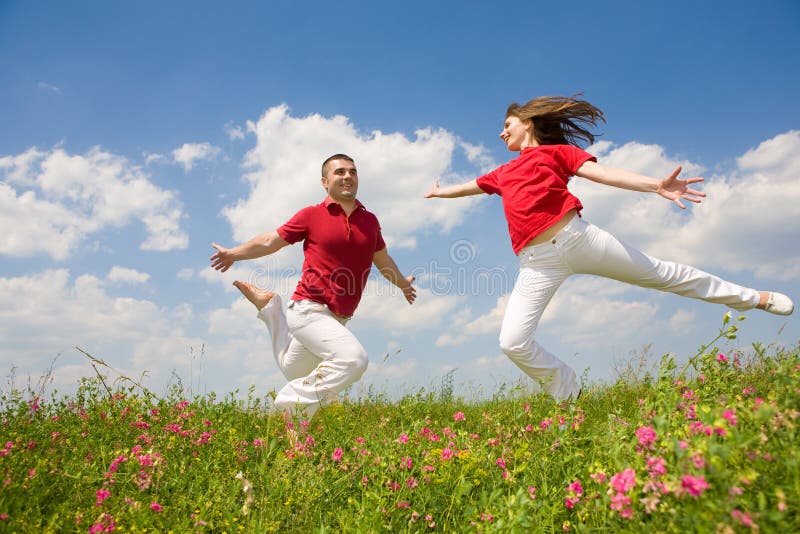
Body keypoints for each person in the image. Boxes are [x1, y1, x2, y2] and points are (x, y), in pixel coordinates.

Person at [425, 95, 794, 403]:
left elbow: (604, 174)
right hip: (536, 263)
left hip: (577, 238)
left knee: (663, 274)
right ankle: (570, 393)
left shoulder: (558, 153)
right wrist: (441, 192)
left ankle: (753, 297)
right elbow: (471, 186)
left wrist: (655, 186)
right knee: (512, 341)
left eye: (508, 123)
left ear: (529, 122)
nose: (501, 131)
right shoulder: (502, 172)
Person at [211, 154, 416, 424]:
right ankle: (290, 404)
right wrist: (233, 254)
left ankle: (271, 308)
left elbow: (382, 259)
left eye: (353, 172)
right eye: (339, 172)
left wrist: (402, 284)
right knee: (353, 360)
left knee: (292, 369)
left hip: (339, 318)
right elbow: (271, 240)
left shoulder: (370, 221)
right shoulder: (312, 215)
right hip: (309, 309)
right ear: (324, 181)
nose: (347, 176)